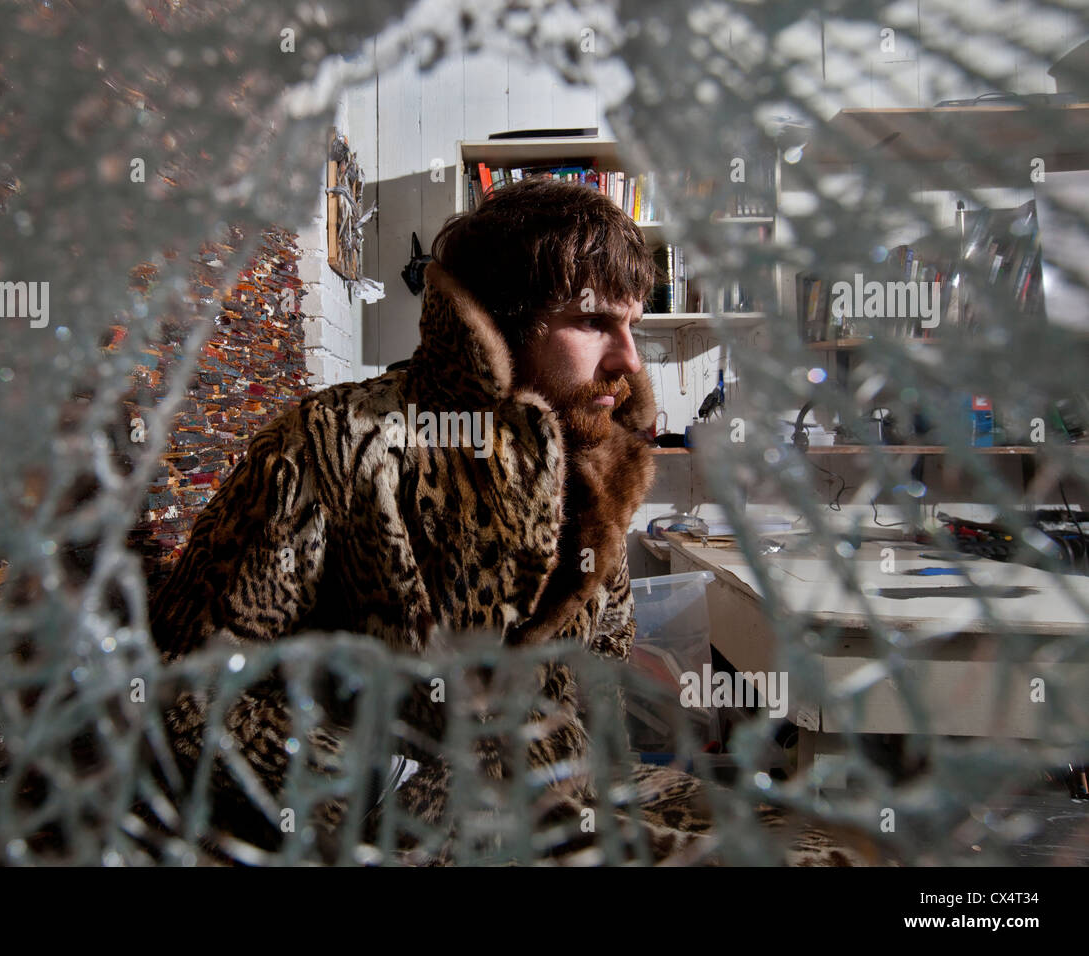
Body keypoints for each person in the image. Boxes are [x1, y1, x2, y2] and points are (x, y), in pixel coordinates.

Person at [147, 176, 871, 865]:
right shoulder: (333, 443)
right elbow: (191, 695)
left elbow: (604, 654)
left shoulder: (596, 463)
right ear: (498, 320)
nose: (628, 360)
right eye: (593, 322)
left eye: (631, 324)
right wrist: (387, 786)